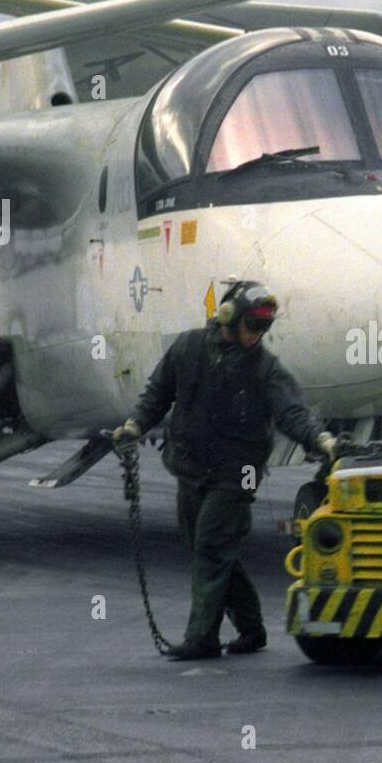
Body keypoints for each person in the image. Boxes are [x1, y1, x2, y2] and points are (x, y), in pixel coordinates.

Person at [112, 281, 336, 661]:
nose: (257, 335)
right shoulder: (188, 348)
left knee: (213, 546)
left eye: (264, 328)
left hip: (241, 471)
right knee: (211, 548)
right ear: (229, 318)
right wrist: (134, 426)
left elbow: (291, 413)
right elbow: (158, 393)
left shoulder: (266, 369)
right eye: (253, 325)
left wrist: (321, 439)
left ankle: (202, 638)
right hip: (191, 466)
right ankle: (251, 627)